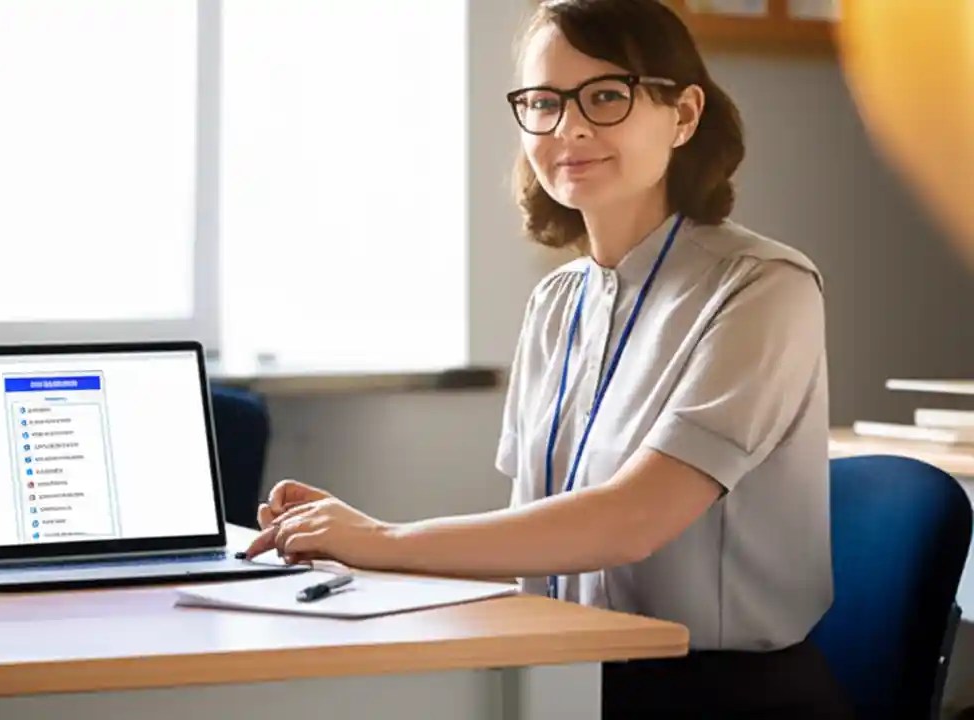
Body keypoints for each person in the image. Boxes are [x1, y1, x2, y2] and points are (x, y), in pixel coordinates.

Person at [244, 0, 852, 716]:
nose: (570, 127)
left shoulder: (764, 286)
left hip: (717, 694)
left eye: (606, 95)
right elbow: (533, 535)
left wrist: (384, 540)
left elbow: (632, 521)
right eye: (543, 102)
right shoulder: (556, 302)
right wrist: (352, 546)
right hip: (564, 669)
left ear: (684, 115)